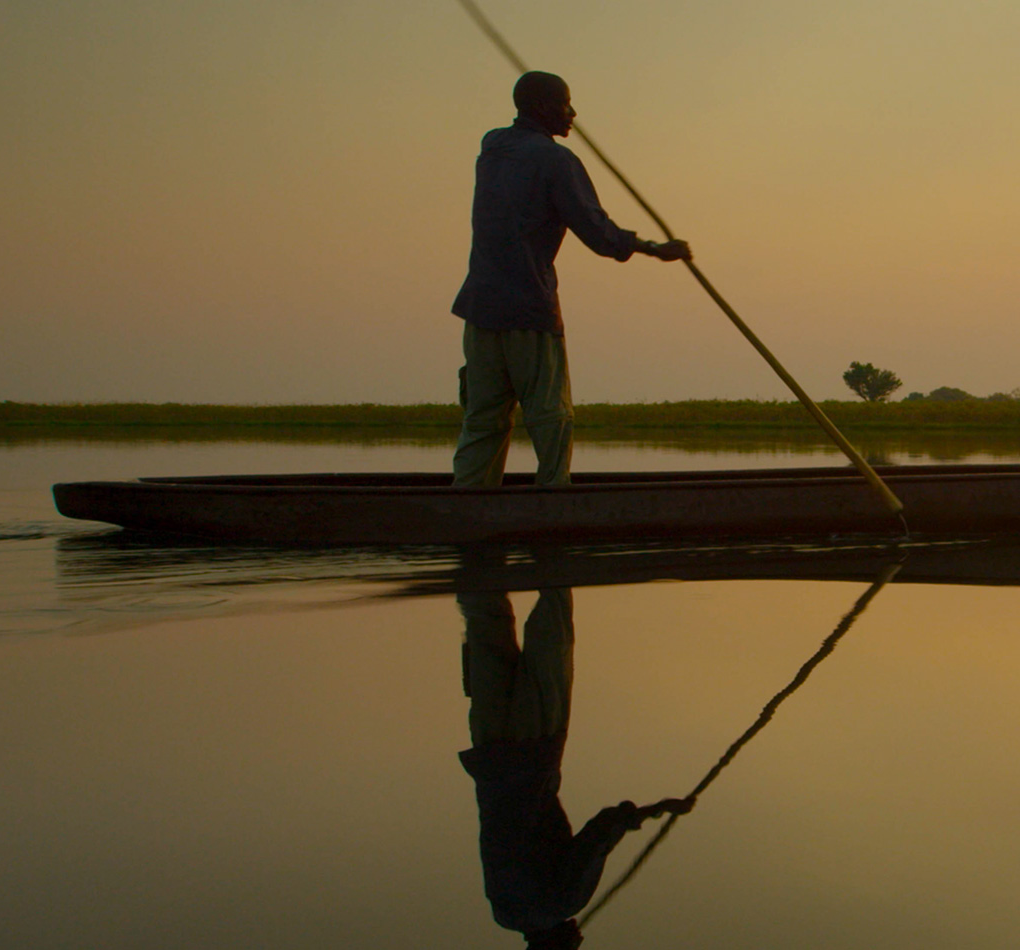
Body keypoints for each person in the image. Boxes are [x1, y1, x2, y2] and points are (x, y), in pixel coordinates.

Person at [450, 70, 690, 488]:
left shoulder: (493, 147)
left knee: (483, 419)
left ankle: (467, 499)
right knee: (550, 416)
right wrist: (656, 249)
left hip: (480, 308)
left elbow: (514, 141)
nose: (573, 114)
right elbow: (599, 235)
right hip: (529, 308)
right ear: (542, 108)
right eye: (565, 104)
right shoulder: (556, 161)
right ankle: (553, 500)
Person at [456, 577, 690, 949]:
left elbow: (599, 835)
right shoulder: (506, 914)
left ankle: (552, 555)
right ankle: (476, 558)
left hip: (533, 751)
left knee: (554, 630)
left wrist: (658, 808)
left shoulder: (561, 903)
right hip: (488, 755)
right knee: (486, 621)